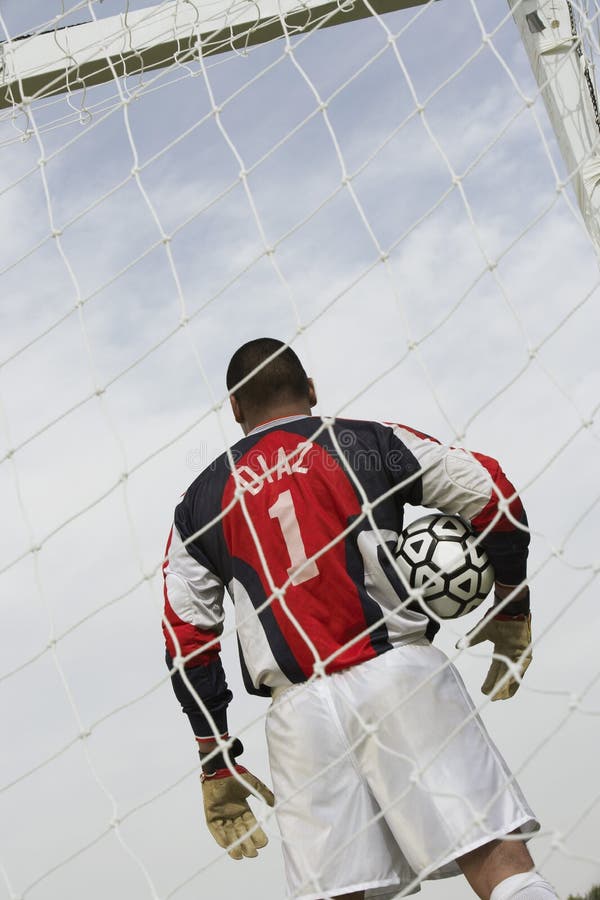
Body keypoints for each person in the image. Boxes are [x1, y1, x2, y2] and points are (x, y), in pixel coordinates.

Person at [162, 337, 557, 900]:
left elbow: (187, 639)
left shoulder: (198, 503)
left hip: (299, 719)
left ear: (234, 409)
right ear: (312, 390)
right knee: (502, 869)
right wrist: (511, 602)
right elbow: (491, 494)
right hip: (400, 675)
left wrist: (215, 757)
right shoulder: (365, 442)